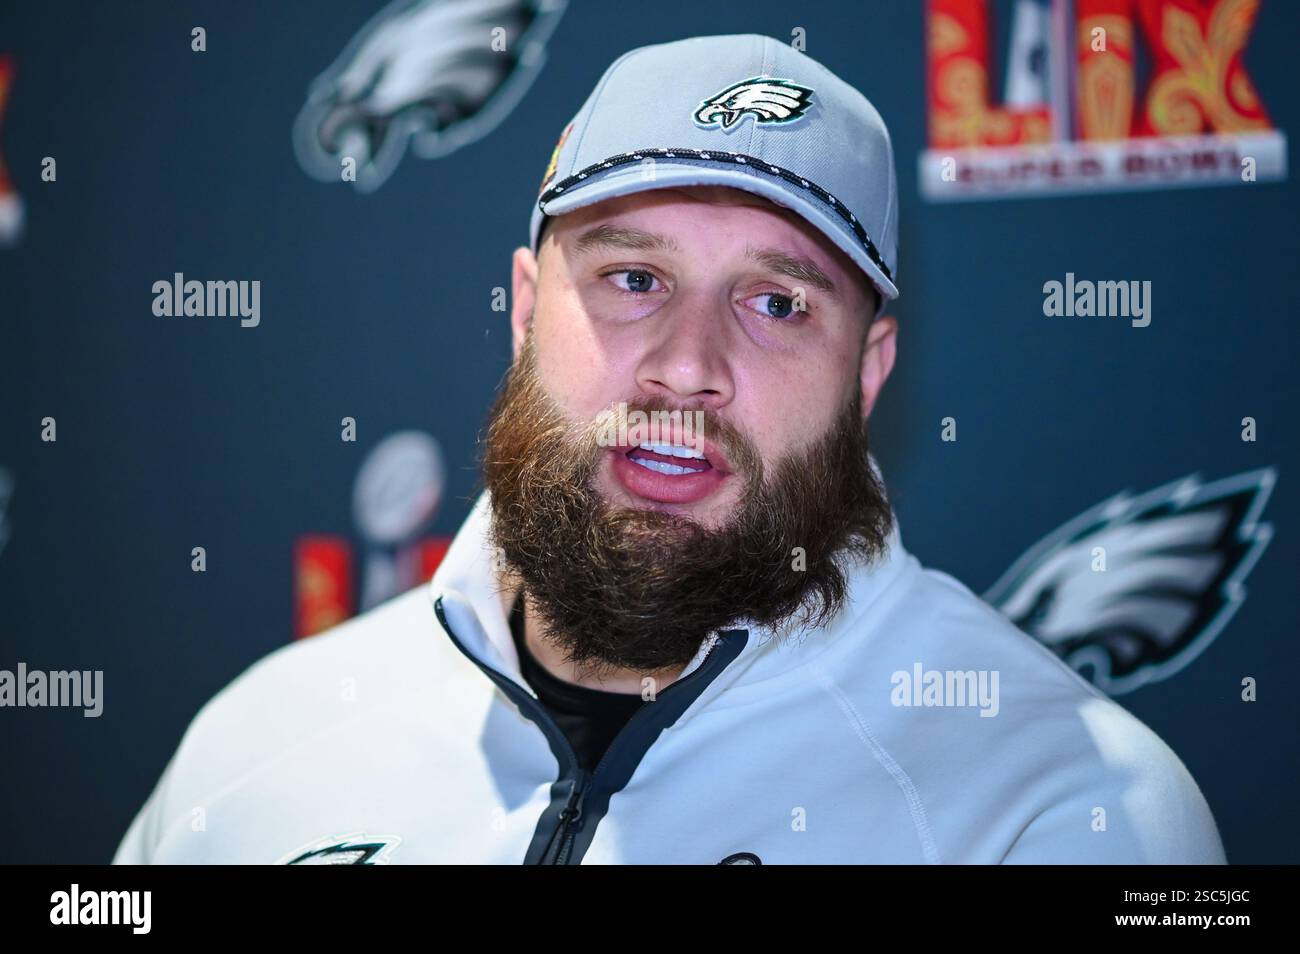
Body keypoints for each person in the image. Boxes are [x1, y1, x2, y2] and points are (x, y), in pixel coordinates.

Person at [112, 33, 1225, 865]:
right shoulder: (261, 742)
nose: (687, 365)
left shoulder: (1067, 807)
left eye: (777, 303)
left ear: (869, 373)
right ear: (521, 311)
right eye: (633, 279)